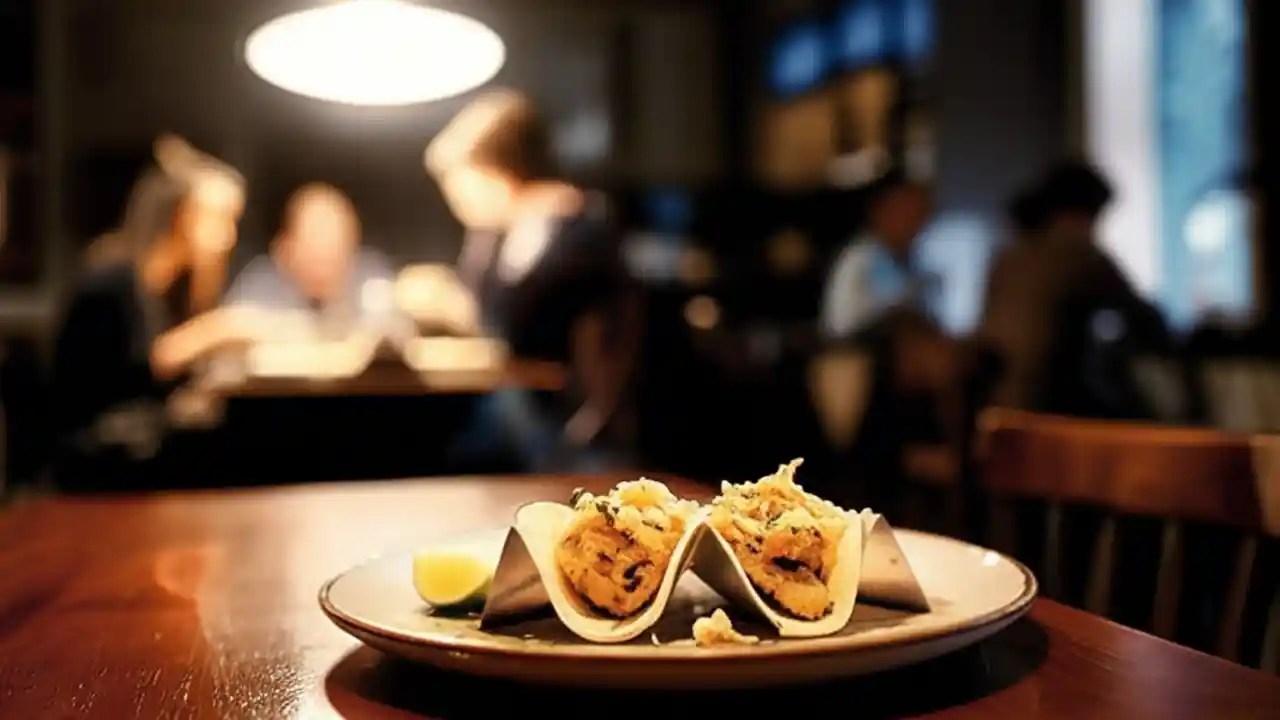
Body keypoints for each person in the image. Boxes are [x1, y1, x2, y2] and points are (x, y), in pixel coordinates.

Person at [423, 88, 641, 471]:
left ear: (501, 172)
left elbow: (607, 346)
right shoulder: (494, 237)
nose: (458, 201)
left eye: (463, 184)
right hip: (512, 417)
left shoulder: (581, 232)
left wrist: (587, 428)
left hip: (568, 427)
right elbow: (487, 317)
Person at [50, 135, 264, 488]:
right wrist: (216, 330)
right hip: (97, 456)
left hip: (135, 441)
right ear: (183, 216)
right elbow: (140, 367)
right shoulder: (114, 276)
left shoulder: (167, 286)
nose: (228, 237)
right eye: (222, 219)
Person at [976, 161, 1170, 416]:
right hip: (1042, 402)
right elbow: (1149, 322)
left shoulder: (1009, 255)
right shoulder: (1077, 255)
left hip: (995, 400)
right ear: (1077, 214)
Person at [224, 183, 407, 346]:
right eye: (314, 247)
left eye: (336, 248)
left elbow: (397, 331)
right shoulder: (261, 282)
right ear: (285, 248)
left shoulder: (371, 278)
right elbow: (228, 332)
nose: (325, 265)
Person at [820, 172, 937, 341]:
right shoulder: (866, 257)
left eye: (921, 213)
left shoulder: (907, 261)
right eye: (905, 212)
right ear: (880, 212)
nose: (915, 222)